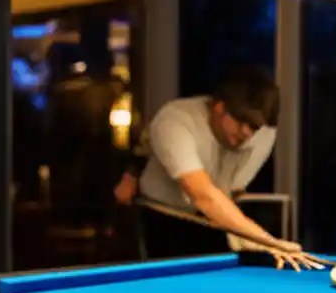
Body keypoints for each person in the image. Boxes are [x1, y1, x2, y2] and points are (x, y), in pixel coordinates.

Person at [114, 67, 321, 270]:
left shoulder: (264, 133)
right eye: (241, 121)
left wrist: (244, 229)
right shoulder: (176, 120)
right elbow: (202, 195)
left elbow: (232, 188)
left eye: (254, 126)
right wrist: (268, 241)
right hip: (162, 219)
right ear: (219, 107)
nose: (247, 133)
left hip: (213, 220)